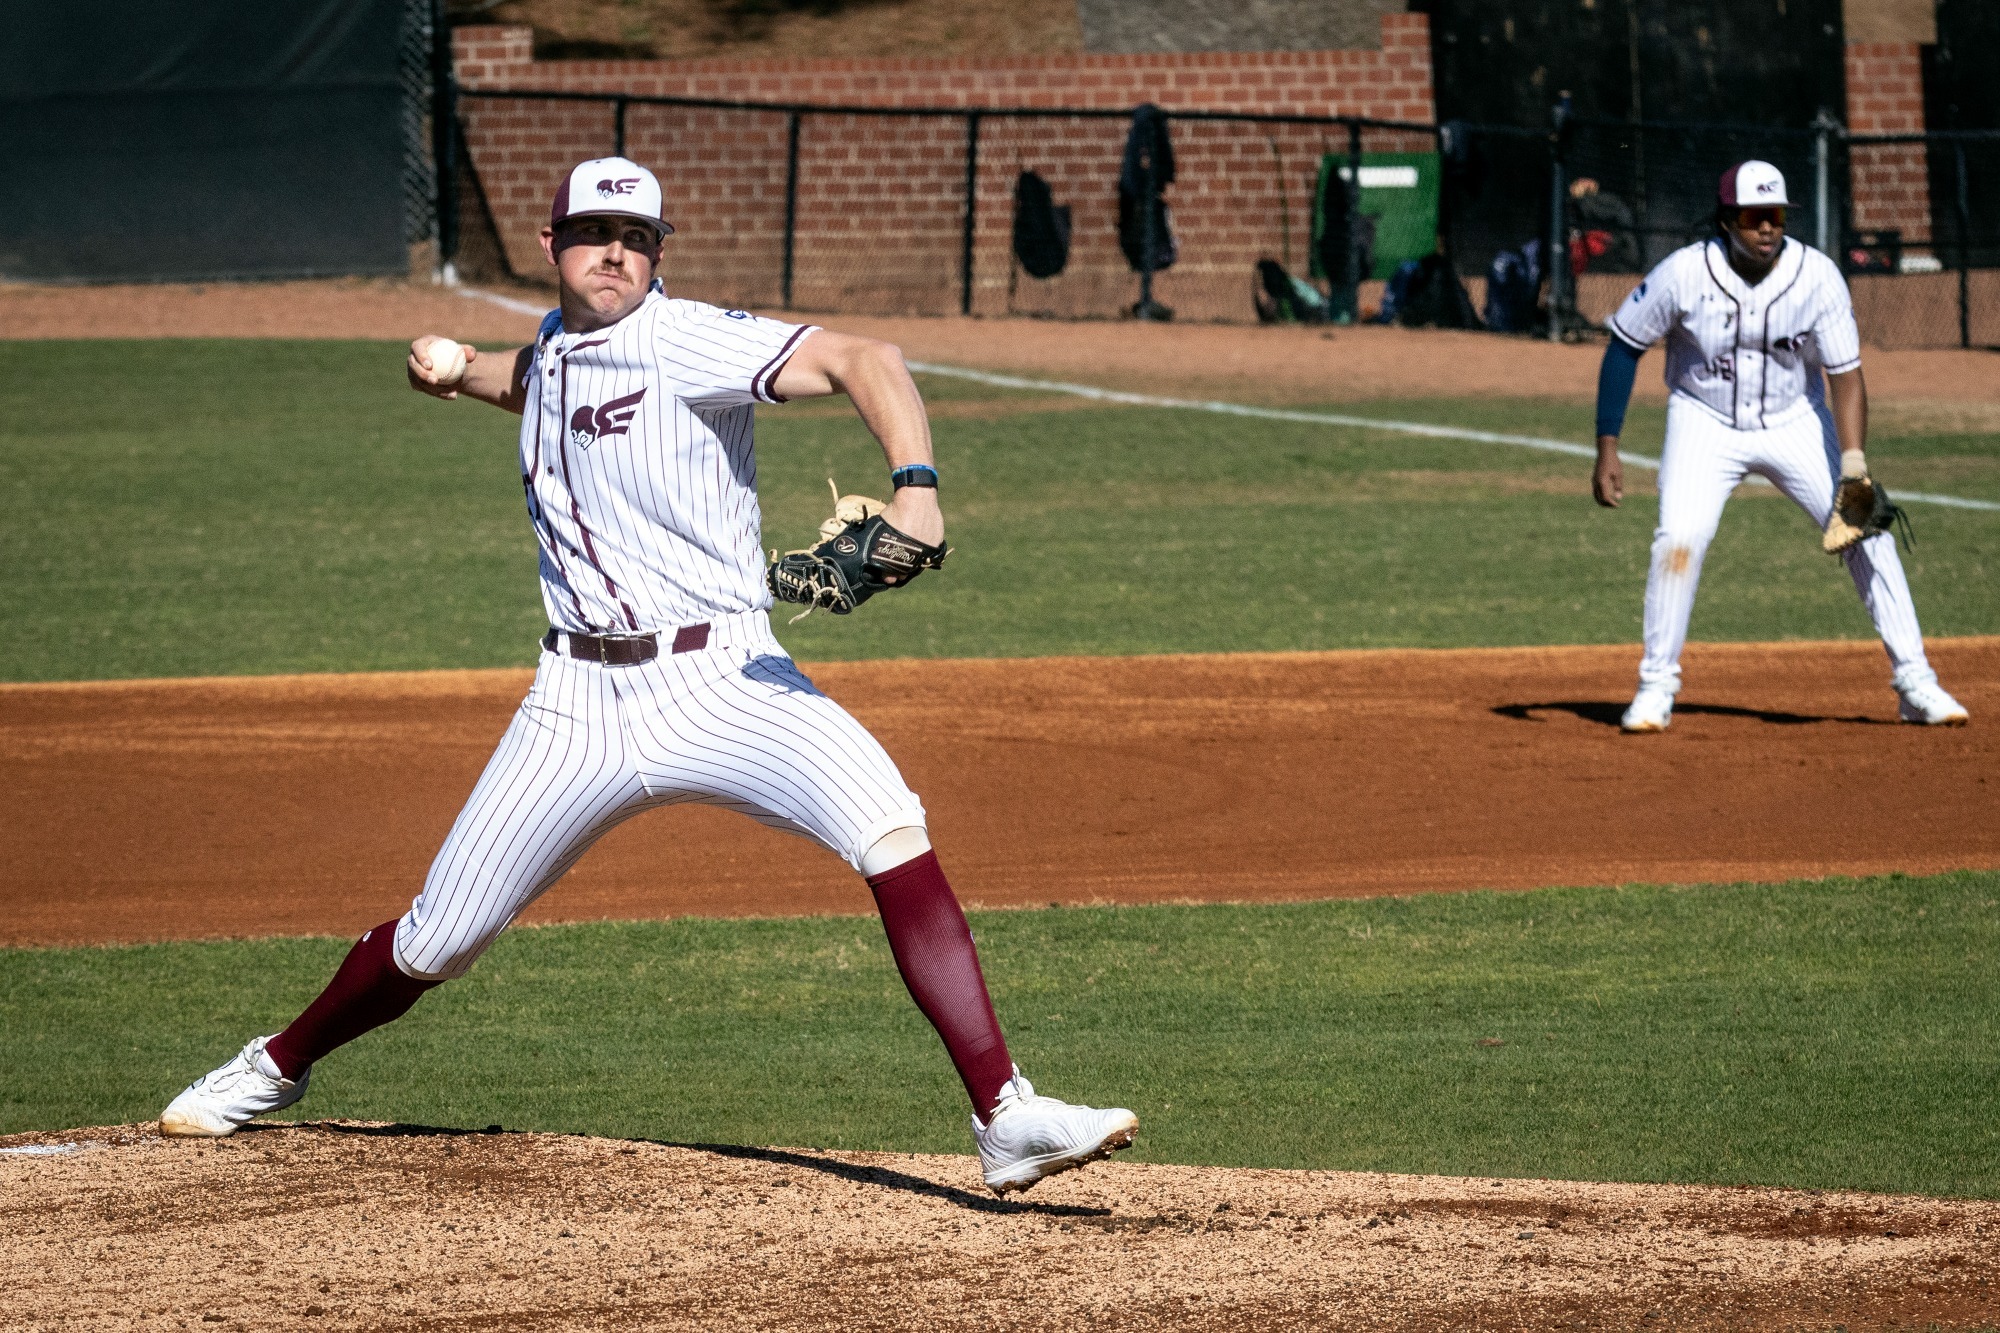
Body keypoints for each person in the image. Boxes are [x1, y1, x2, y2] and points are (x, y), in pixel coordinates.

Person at [158, 157, 1139, 1195]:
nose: (611, 251)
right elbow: (534, 384)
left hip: (722, 676)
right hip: (573, 704)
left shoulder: (686, 340)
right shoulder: (548, 349)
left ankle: (1003, 1112)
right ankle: (274, 1066)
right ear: (550, 248)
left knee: (889, 825)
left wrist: (916, 488)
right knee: (439, 936)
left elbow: (866, 355)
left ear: (659, 249)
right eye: (589, 233)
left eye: (632, 236)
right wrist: (450, 373)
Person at [1591, 160, 1967, 732]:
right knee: (1680, 539)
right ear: (1726, 220)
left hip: (1795, 419)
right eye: (1753, 217)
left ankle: (1916, 682)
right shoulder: (1683, 274)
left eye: (1776, 215)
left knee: (1865, 528)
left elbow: (1846, 374)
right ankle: (1655, 687)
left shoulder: (1817, 276)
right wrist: (1608, 446)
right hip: (1704, 420)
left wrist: (1854, 464)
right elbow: (1623, 347)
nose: (1768, 227)